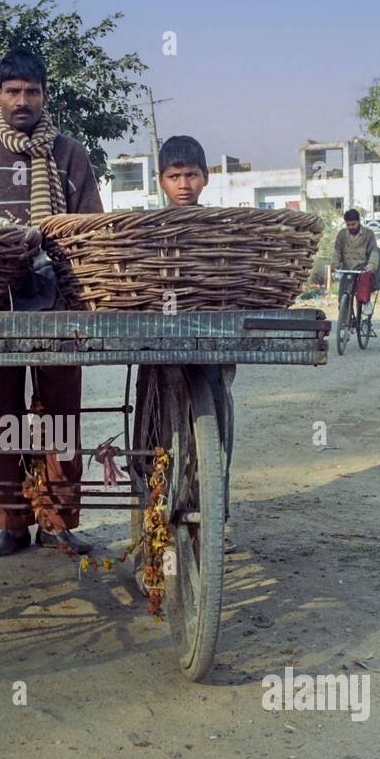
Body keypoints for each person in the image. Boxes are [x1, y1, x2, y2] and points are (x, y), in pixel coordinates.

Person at [0, 48, 103, 557]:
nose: (22, 100)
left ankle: (57, 521)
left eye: (31, 91)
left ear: (44, 96)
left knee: (61, 415)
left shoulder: (71, 154)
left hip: (60, 302)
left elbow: (91, 236)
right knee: (0, 414)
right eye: (12, 91)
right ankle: (12, 522)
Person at [158, 135, 234, 523]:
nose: (183, 184)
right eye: (174, 176)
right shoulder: (149, 229)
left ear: (206, 178)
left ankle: (215, 512)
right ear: (161, 181)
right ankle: (159, 498)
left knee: (218, 421)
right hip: (163, 336)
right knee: (159, 420)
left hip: (208, 333)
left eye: (191, 175)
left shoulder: (220, 229)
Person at [332, 209, 380, 312]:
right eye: (348, 225)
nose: (350, 227)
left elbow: (374, 252)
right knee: (343, 299)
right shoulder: (342, 235)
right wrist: (335, 264)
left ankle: (366, 304)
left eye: (353, 224)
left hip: (363, 270)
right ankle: (345, 320)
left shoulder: (369, 234)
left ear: (359, 221)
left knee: (363, 293)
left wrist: (371, 265)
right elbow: (337, 251)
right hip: (347, 270)